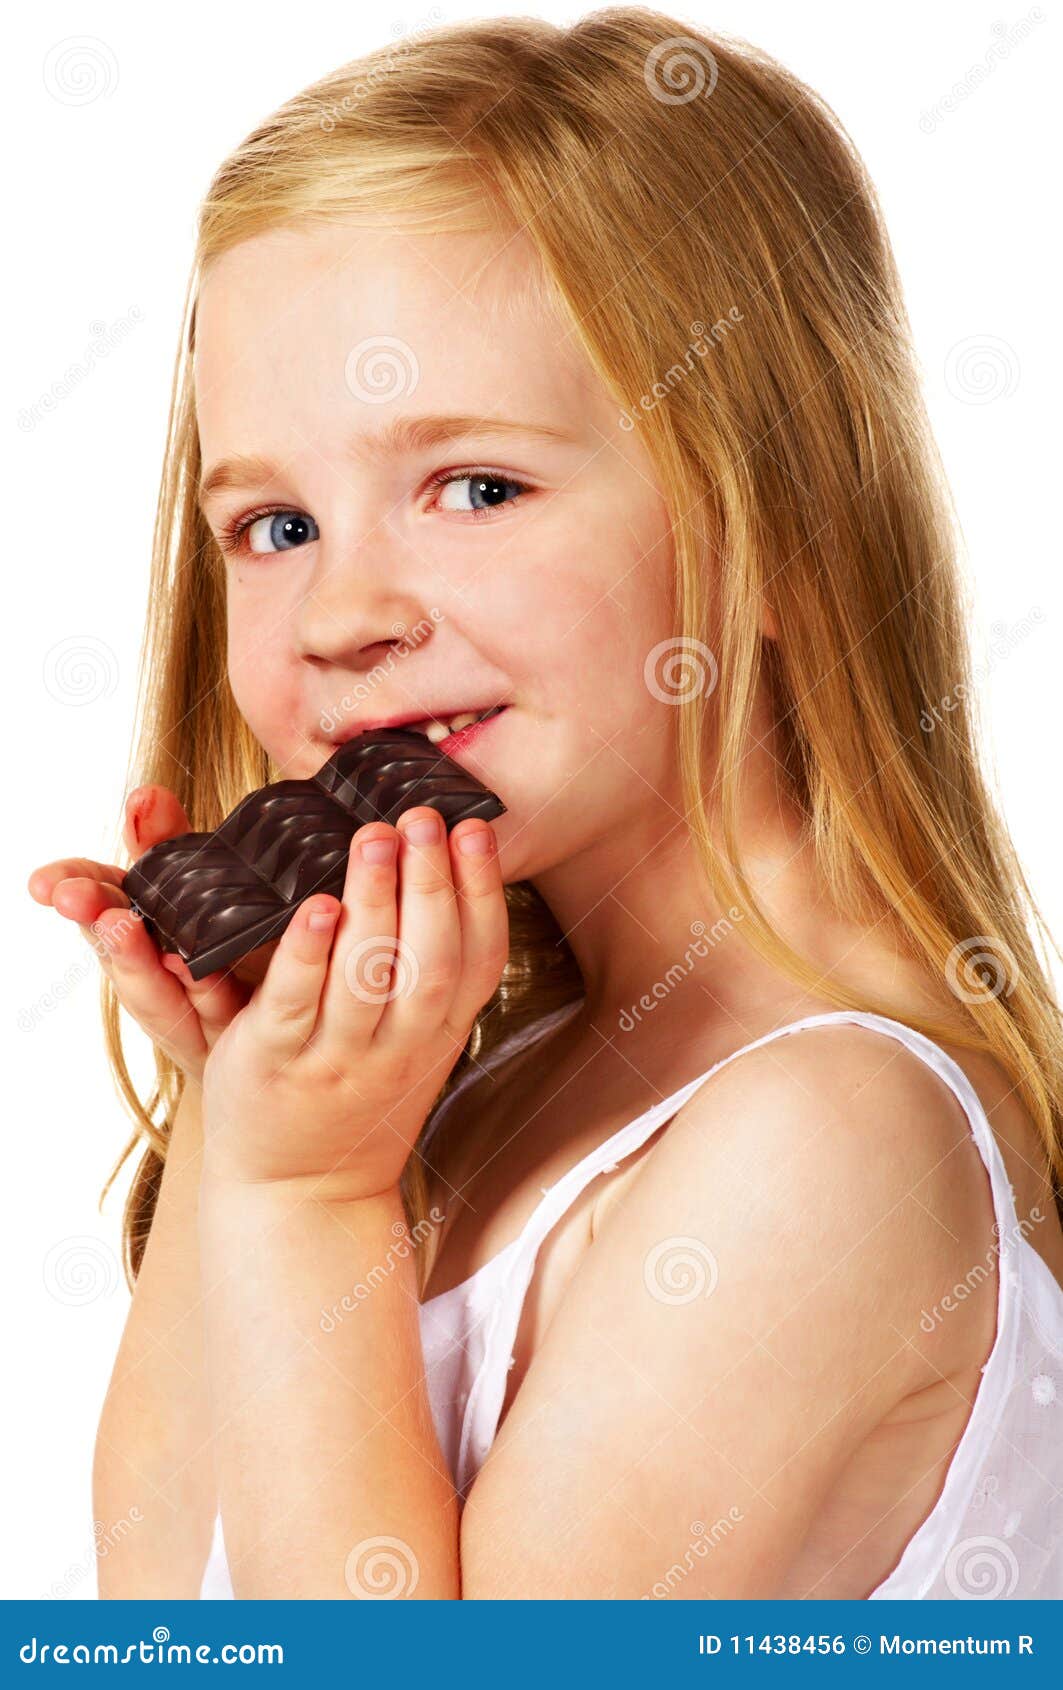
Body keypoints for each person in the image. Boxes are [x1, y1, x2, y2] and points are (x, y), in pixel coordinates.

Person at [28, 7, 1063, 1599]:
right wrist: (247, 1144)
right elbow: (162, 1604)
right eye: (277, 522)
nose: (340, 613)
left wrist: (312, 1204)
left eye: (478, 488)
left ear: (778, 533)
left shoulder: (829, 1142)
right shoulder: (464, 1087)